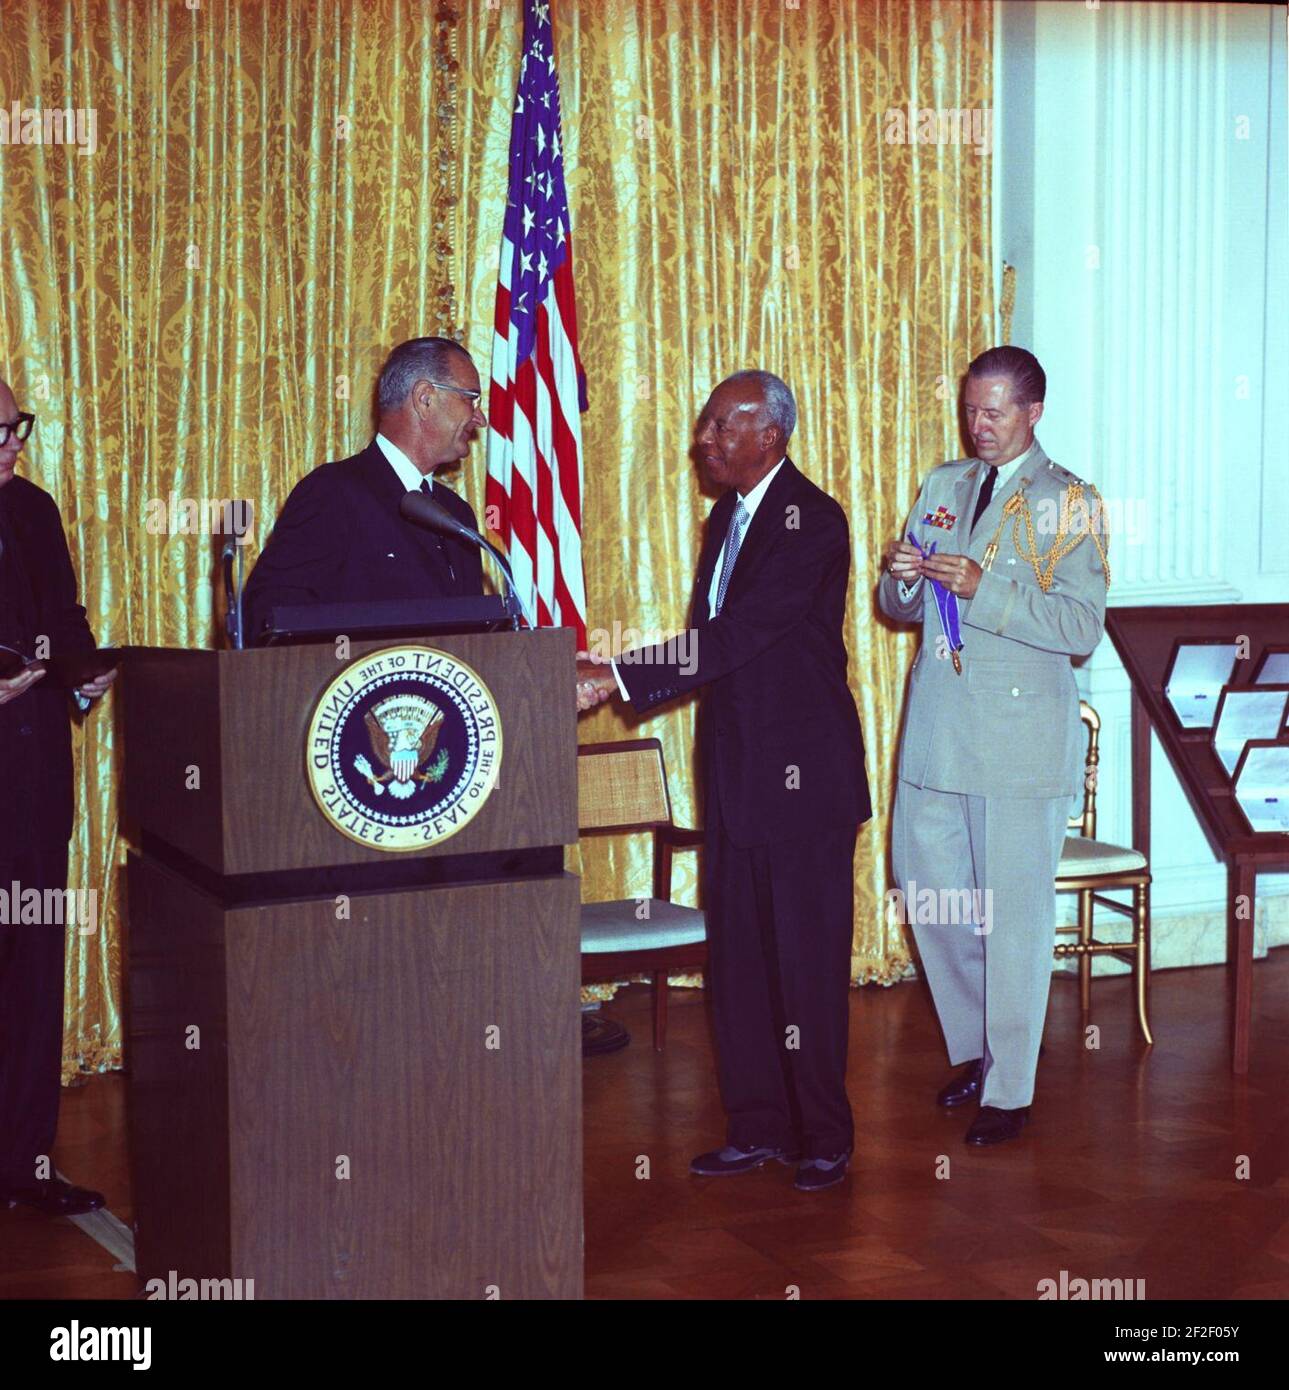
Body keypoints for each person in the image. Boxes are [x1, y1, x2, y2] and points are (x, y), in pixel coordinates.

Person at [577, 370, 871, 1192]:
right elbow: (719, 645)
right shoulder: (723, 519)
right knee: (740, 958)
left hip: (804, 780)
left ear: (767, 435)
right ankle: (758, 1126)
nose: (702, 441)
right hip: (738, 774)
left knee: (805, 962)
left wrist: (620, 676)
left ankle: (823, 1135)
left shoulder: (810, 520)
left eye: (716, 427)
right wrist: (620, 671)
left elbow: (742, 634)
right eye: (704, 427)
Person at [878, 345, 1110, 1145]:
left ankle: (1009, 1089)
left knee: (1011, 916)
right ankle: (976, 1048)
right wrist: (904, 575)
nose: (978, 425)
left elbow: (1081, 631)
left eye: (996, 411)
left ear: (1034, 411)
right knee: (930, 893)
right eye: (971, 408)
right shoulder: (944, 483)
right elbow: (899, 604)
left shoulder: (1066, 501)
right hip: (937, 732)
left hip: (1016, 741)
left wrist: (986, 590)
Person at [0, 375, 117, 1216]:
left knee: (33, 969)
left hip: (35, 778)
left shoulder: (34, 510)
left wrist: (85, 675)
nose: (14, 442)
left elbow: (65, 620)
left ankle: (23, 1164)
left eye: (18, 427)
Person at [243, 336, 488, 641]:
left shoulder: (457, 514)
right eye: (471, 398)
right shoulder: (333, 492)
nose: (480, 418)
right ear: (425, 398)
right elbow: (268, 616)